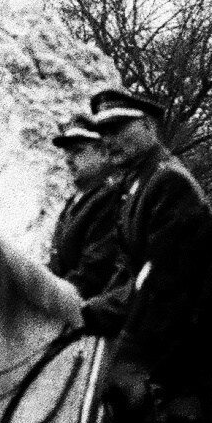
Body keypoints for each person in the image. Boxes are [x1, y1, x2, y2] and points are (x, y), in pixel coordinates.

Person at [73, 87, 209, 338]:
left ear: (148, 125)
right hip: (141, 322)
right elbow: (126, 268)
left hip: (167, 336)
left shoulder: (169, 181)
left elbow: (161, 279)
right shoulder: (137, 182)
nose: (109, 141)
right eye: (103, 132)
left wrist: (94, 310)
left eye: (117, 129)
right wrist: (90, 305)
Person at [44, 112, 127, 298]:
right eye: (67, 152)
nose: (68, 159)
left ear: (103, 153)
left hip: (91, 311)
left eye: (78, 151)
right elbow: (58, 264)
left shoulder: (110, 198)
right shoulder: (76, 200)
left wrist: (50, 299)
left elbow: (93, 273)